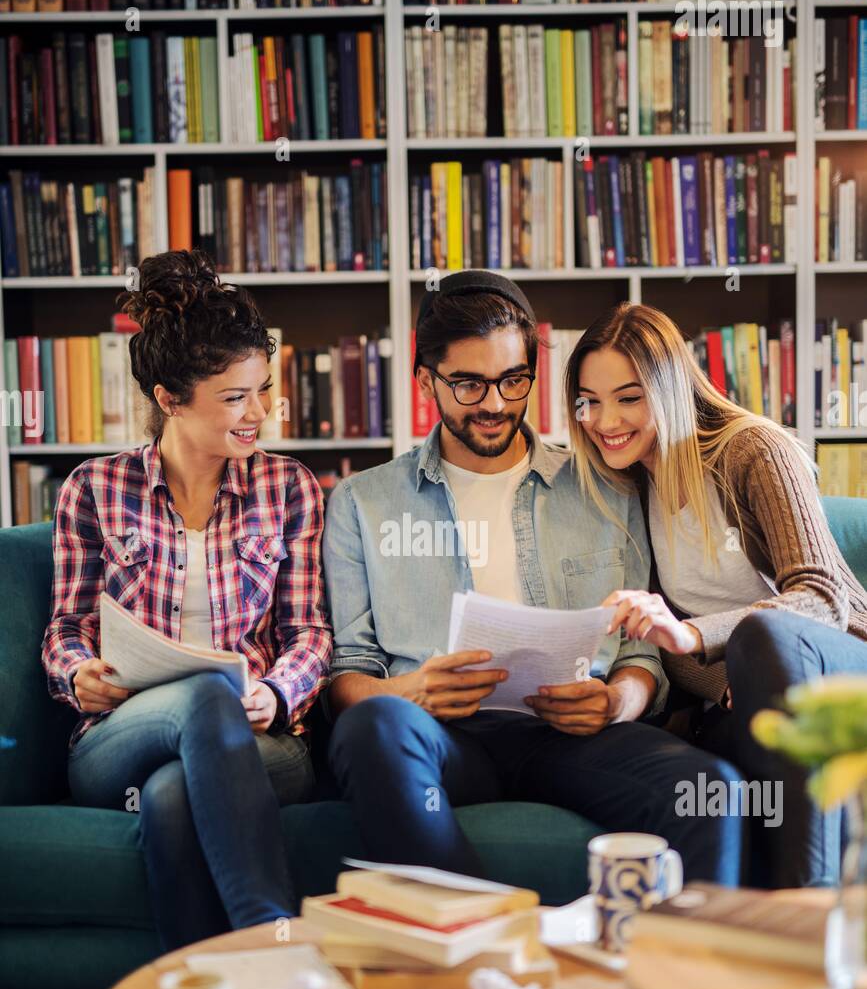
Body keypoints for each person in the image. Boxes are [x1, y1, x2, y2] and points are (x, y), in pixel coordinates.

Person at [321, 270, 745, 887]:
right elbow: (346, 676)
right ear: (424, 383)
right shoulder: (363, 502)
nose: (495, 404)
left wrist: (615, 701)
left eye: (513, 380)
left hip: (571, 736)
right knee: (373, 724)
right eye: (468, 384)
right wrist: (409, 691)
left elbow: (637, 651)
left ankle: (669, 977)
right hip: (438, 739)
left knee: (713, 791)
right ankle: (473, 936)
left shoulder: (606, 484)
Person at [42, 249, 332, 951]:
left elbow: (310, 633)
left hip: (262, 739)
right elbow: (66, 626)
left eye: (262, 389)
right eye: (235, 397)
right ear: (170, 398)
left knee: (173, 795)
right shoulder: (94, 489)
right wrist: (78, 674)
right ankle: (271, 944)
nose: (259, 412)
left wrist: (277, 691)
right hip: (120, 739)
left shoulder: (288, 488)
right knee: (202, 695)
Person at [564, 300, 867, 888]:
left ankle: (800, 911)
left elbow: (821, 595)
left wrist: (700, 634)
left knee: (761, 634)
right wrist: (724, 679)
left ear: (671, 389)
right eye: (589, 401)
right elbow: (665, 644)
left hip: (841, 667)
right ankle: (730, 940)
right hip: (749, 702)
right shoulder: (626, 488)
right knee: (710, 779)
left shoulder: (751, 451)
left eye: (629, 398)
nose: (605, 421)